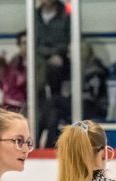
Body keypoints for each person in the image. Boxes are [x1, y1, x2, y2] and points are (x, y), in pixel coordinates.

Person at [34, 0, 71, 147]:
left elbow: (69, 38)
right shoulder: (34, 15)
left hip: (60, 61)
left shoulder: (66, 14)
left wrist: (58, 54)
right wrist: (48, 55)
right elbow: (34, 42)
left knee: (53, 102)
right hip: (40, 60)